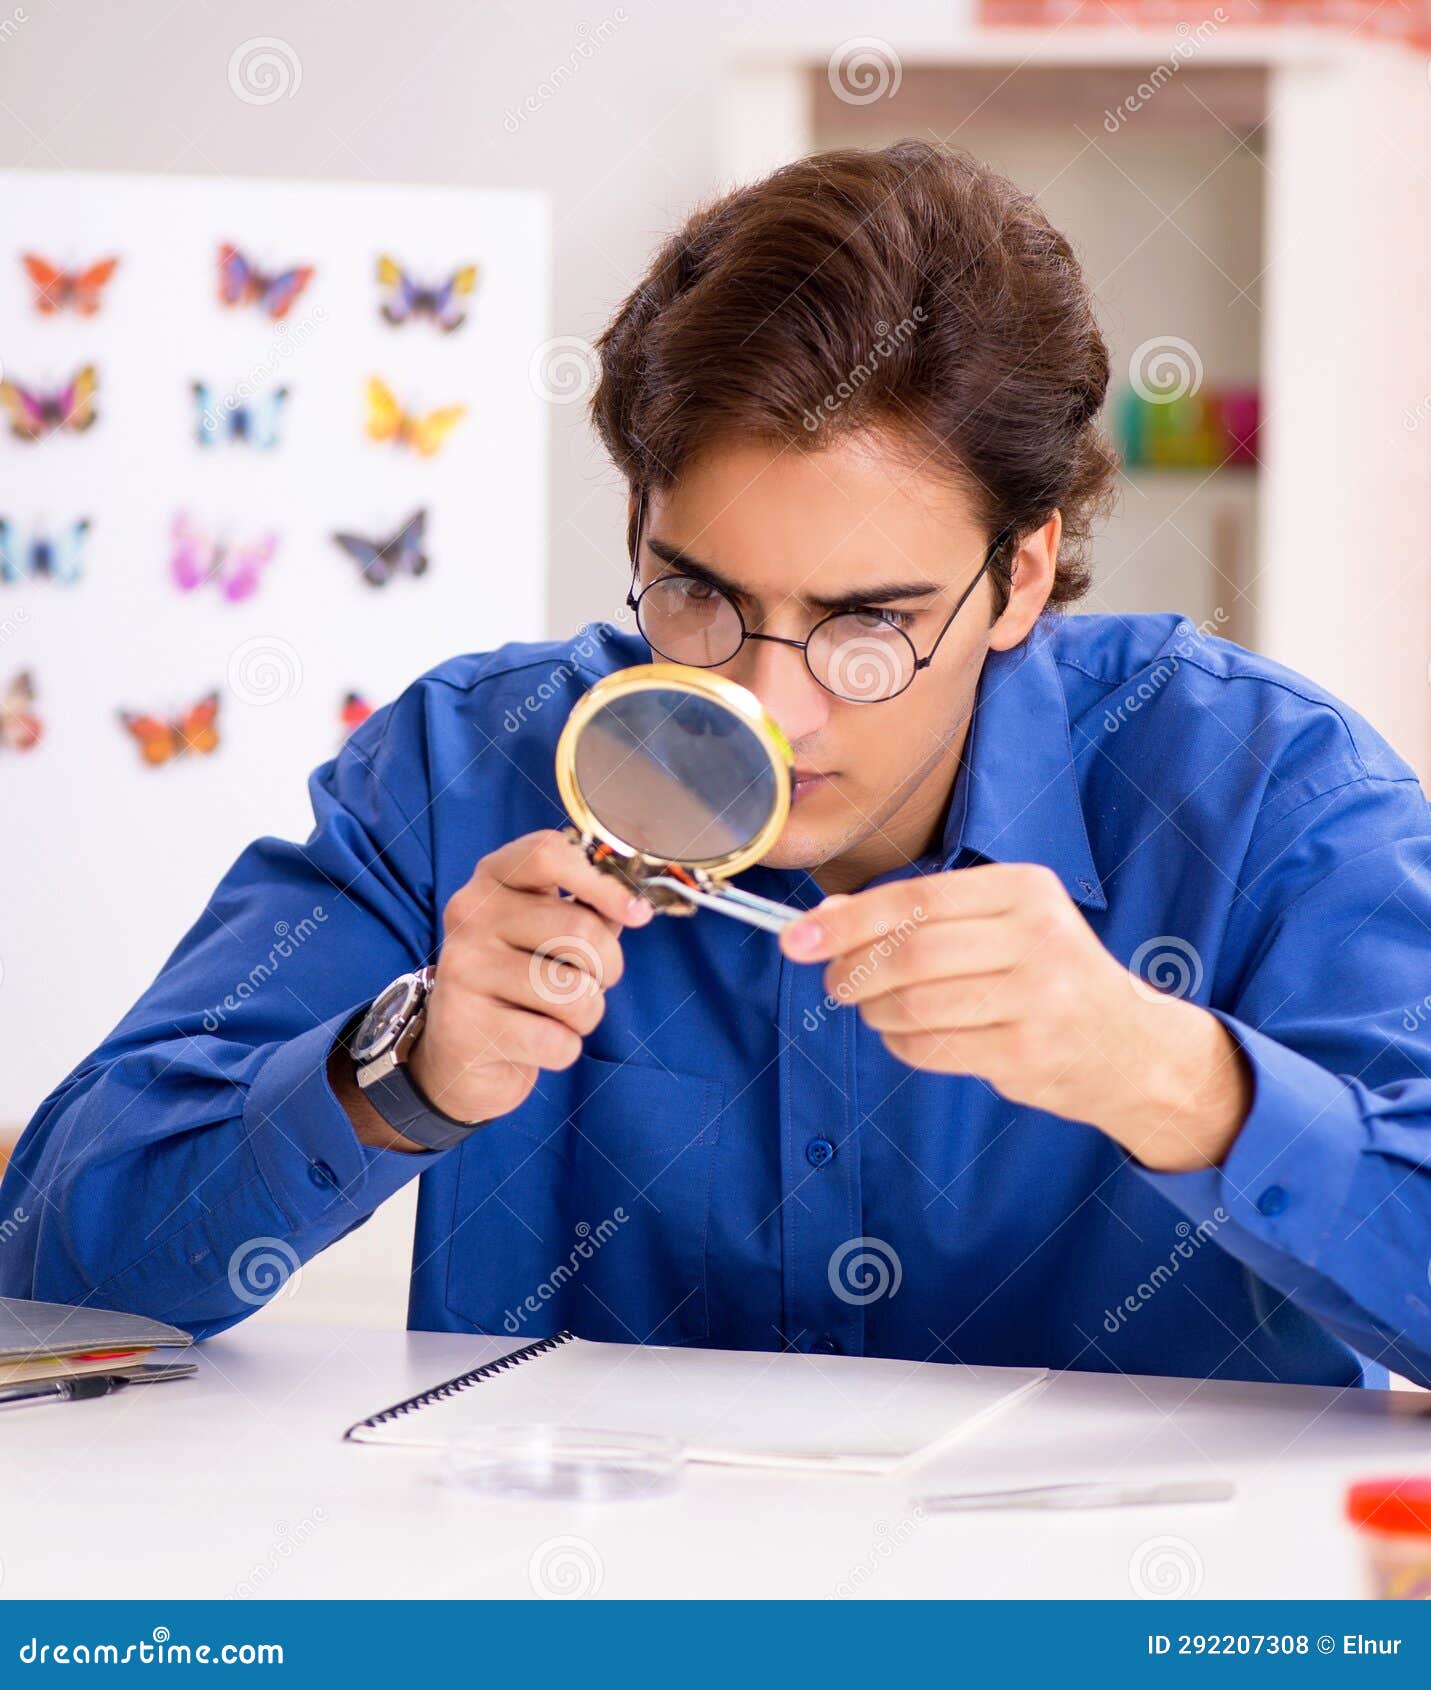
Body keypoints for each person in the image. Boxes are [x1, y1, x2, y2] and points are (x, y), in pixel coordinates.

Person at [6, 141, 1430, 1390]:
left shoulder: (1264, 795)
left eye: (866, 625)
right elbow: (53, 1264)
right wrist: (403, 1067)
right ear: (638, 526)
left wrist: (1178, 1081)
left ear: (1021, 574)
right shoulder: (470, 769)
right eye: (699, 598)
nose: (767, 705)